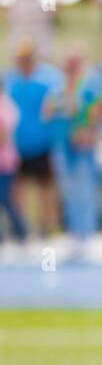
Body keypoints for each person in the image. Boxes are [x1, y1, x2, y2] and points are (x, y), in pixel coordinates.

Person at [5, 38, 63, 239]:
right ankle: (20, 228)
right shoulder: (12, 80)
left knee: (45, 186)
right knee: (17, 187)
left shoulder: (48, 78)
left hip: (42, 142)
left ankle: (46, 226)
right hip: (18, 143)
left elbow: (56, 103)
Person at [53, 48, 102, 255]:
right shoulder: (61, 84)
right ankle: (74, 231)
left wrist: (90, 132)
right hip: (64, 141)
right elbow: (50, 109)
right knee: (69, 189)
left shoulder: (90, 81)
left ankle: (86, 232)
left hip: (82, 143)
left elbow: (97, 110)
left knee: (83, 187)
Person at [0, 88, 25, 248]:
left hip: (5, 162)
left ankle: (21, 232)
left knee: (6, 199)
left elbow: (4, 134)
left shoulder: (5, 106)